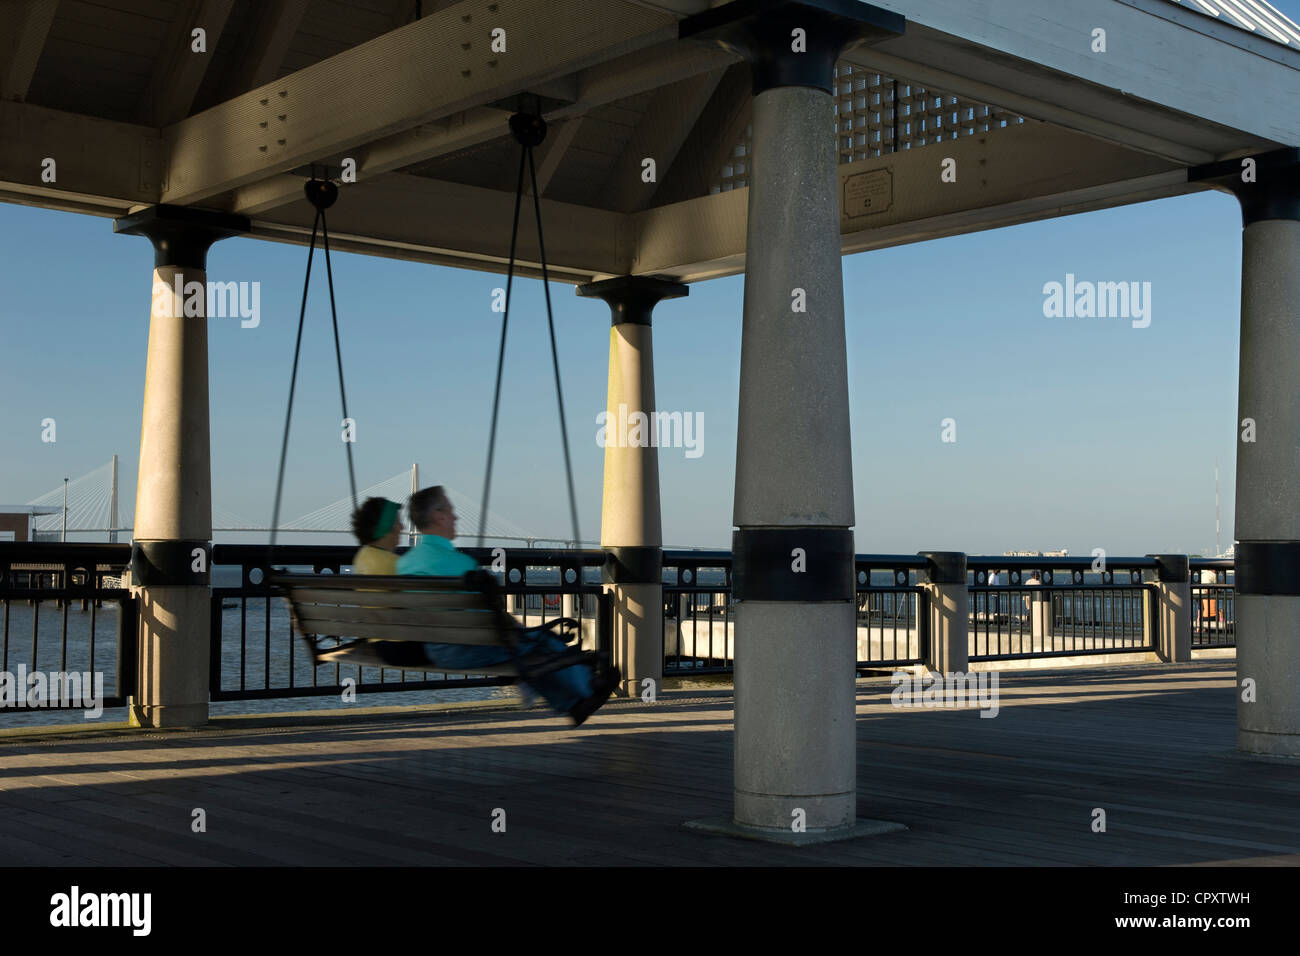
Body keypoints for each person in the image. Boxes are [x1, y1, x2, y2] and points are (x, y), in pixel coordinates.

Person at [392, 485, 619, 726]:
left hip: (434, 651)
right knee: (540, 641)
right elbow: (487, 616)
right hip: (468, 651)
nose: (456, 517)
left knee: (529, 650)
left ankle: (573, 700)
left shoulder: (404, 565)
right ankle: (584, 691)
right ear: (438, 516)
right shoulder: (459, 564)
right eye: (450, 510)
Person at [349, 497, 402, 574]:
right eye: (398, 522)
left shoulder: (362, 555)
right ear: (386, 528)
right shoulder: (397, 565)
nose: (402, 527)